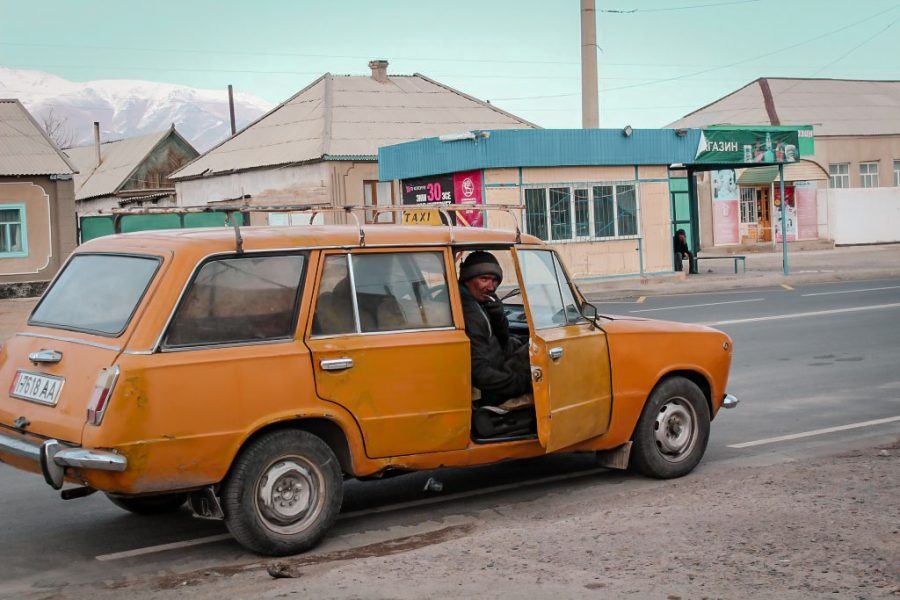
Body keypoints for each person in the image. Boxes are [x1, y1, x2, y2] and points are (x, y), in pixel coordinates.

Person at [457, 251, 532, 410]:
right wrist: (525, 383)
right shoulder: (468, 312)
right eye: (484, 279)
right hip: (491, 390)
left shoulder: (479, 301)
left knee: (531, 343)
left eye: (495, 280)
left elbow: (503, 340)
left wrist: (498, 316)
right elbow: (480, 373)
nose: (491, 287)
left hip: (498, 363)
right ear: (467, 279)